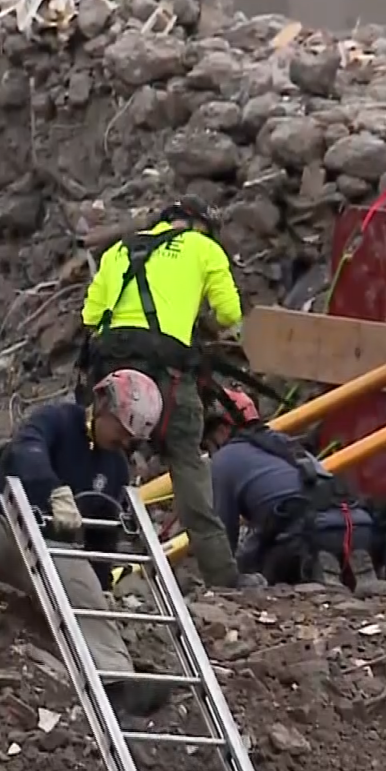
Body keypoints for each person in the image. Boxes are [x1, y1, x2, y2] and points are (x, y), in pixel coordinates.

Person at [0, 369, 174, 717]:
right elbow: (26, 449)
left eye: (132, 441)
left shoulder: (114, 468)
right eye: (121, 432)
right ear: (102, 405)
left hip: (54, 560)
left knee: (83, 577)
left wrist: (101, 589)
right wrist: (52, 489)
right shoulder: (56, 421)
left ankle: (116, 682)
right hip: (4, 533)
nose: (124, 444)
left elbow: (103, 536)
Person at [80, 195, 262, 589]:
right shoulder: (204, 248)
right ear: (199, 227)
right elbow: (230, 315)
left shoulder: (118, 250)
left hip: (113, 374)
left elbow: (91, 316)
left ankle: (84, 563)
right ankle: (223, 576)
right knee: (188, 469)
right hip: (170, 378)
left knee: (101, 459)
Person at [202, 388, 386, 592]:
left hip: (308, 535)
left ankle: (317, 570)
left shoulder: (224, 459)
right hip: (361, 527)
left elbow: (222, 532)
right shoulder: (286, 445)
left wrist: (224, 578)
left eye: (208, 440)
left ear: (222, 429)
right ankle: (345, 567)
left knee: (257, 564)